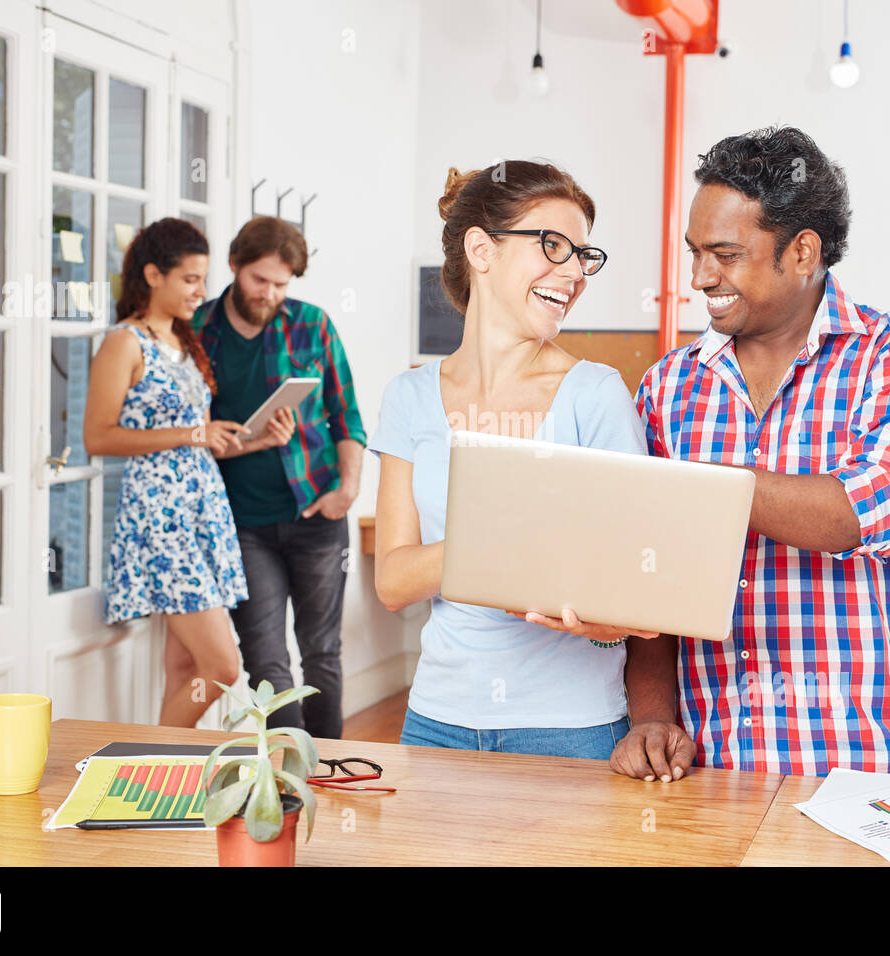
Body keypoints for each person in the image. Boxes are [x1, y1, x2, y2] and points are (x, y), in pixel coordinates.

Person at [614, 126, 890, 781]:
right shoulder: (668, 386)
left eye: (724, 253)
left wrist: (694, 487)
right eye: (694, 253)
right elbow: (651, 585)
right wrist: (651, 716)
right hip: (709, 767)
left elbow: (870, 511)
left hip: (860, 766)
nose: (700, 277)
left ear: (803, 252)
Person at [369, 160, 660, 760]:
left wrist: (601, 616)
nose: (575, 272)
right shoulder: (408, 397)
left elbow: (638, 592)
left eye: (583, 256)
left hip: (570, 726)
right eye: (553, 246)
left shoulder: (596, 394)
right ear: (481, 249)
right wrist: (500, 545)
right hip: (435, 720)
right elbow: (393, 581)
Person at [191, 217, 365, 738]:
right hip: (242, 526)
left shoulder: (311, 323)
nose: (269, 294)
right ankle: (288, 778)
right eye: (259, 280)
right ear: (234, 266)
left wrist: (347, 490)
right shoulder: (198, 331)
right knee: (266, 663)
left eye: (281, 284)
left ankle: (330, 774)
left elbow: (346, 415)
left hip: (317, 514)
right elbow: (184, 436)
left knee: (322, 655)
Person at [83, 217, 250, 728]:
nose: (202, 292)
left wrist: (254, 437)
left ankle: (168, 787)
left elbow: (195, 440)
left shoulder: (181, 341)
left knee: (186, 666)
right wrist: (192, 434)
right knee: (223, 666)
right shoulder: (124, 343)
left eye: (203, 280)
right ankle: (142, 760)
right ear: (154, 275)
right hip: (161, 521)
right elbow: (99, 436)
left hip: (201, 512)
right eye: (190, 279)